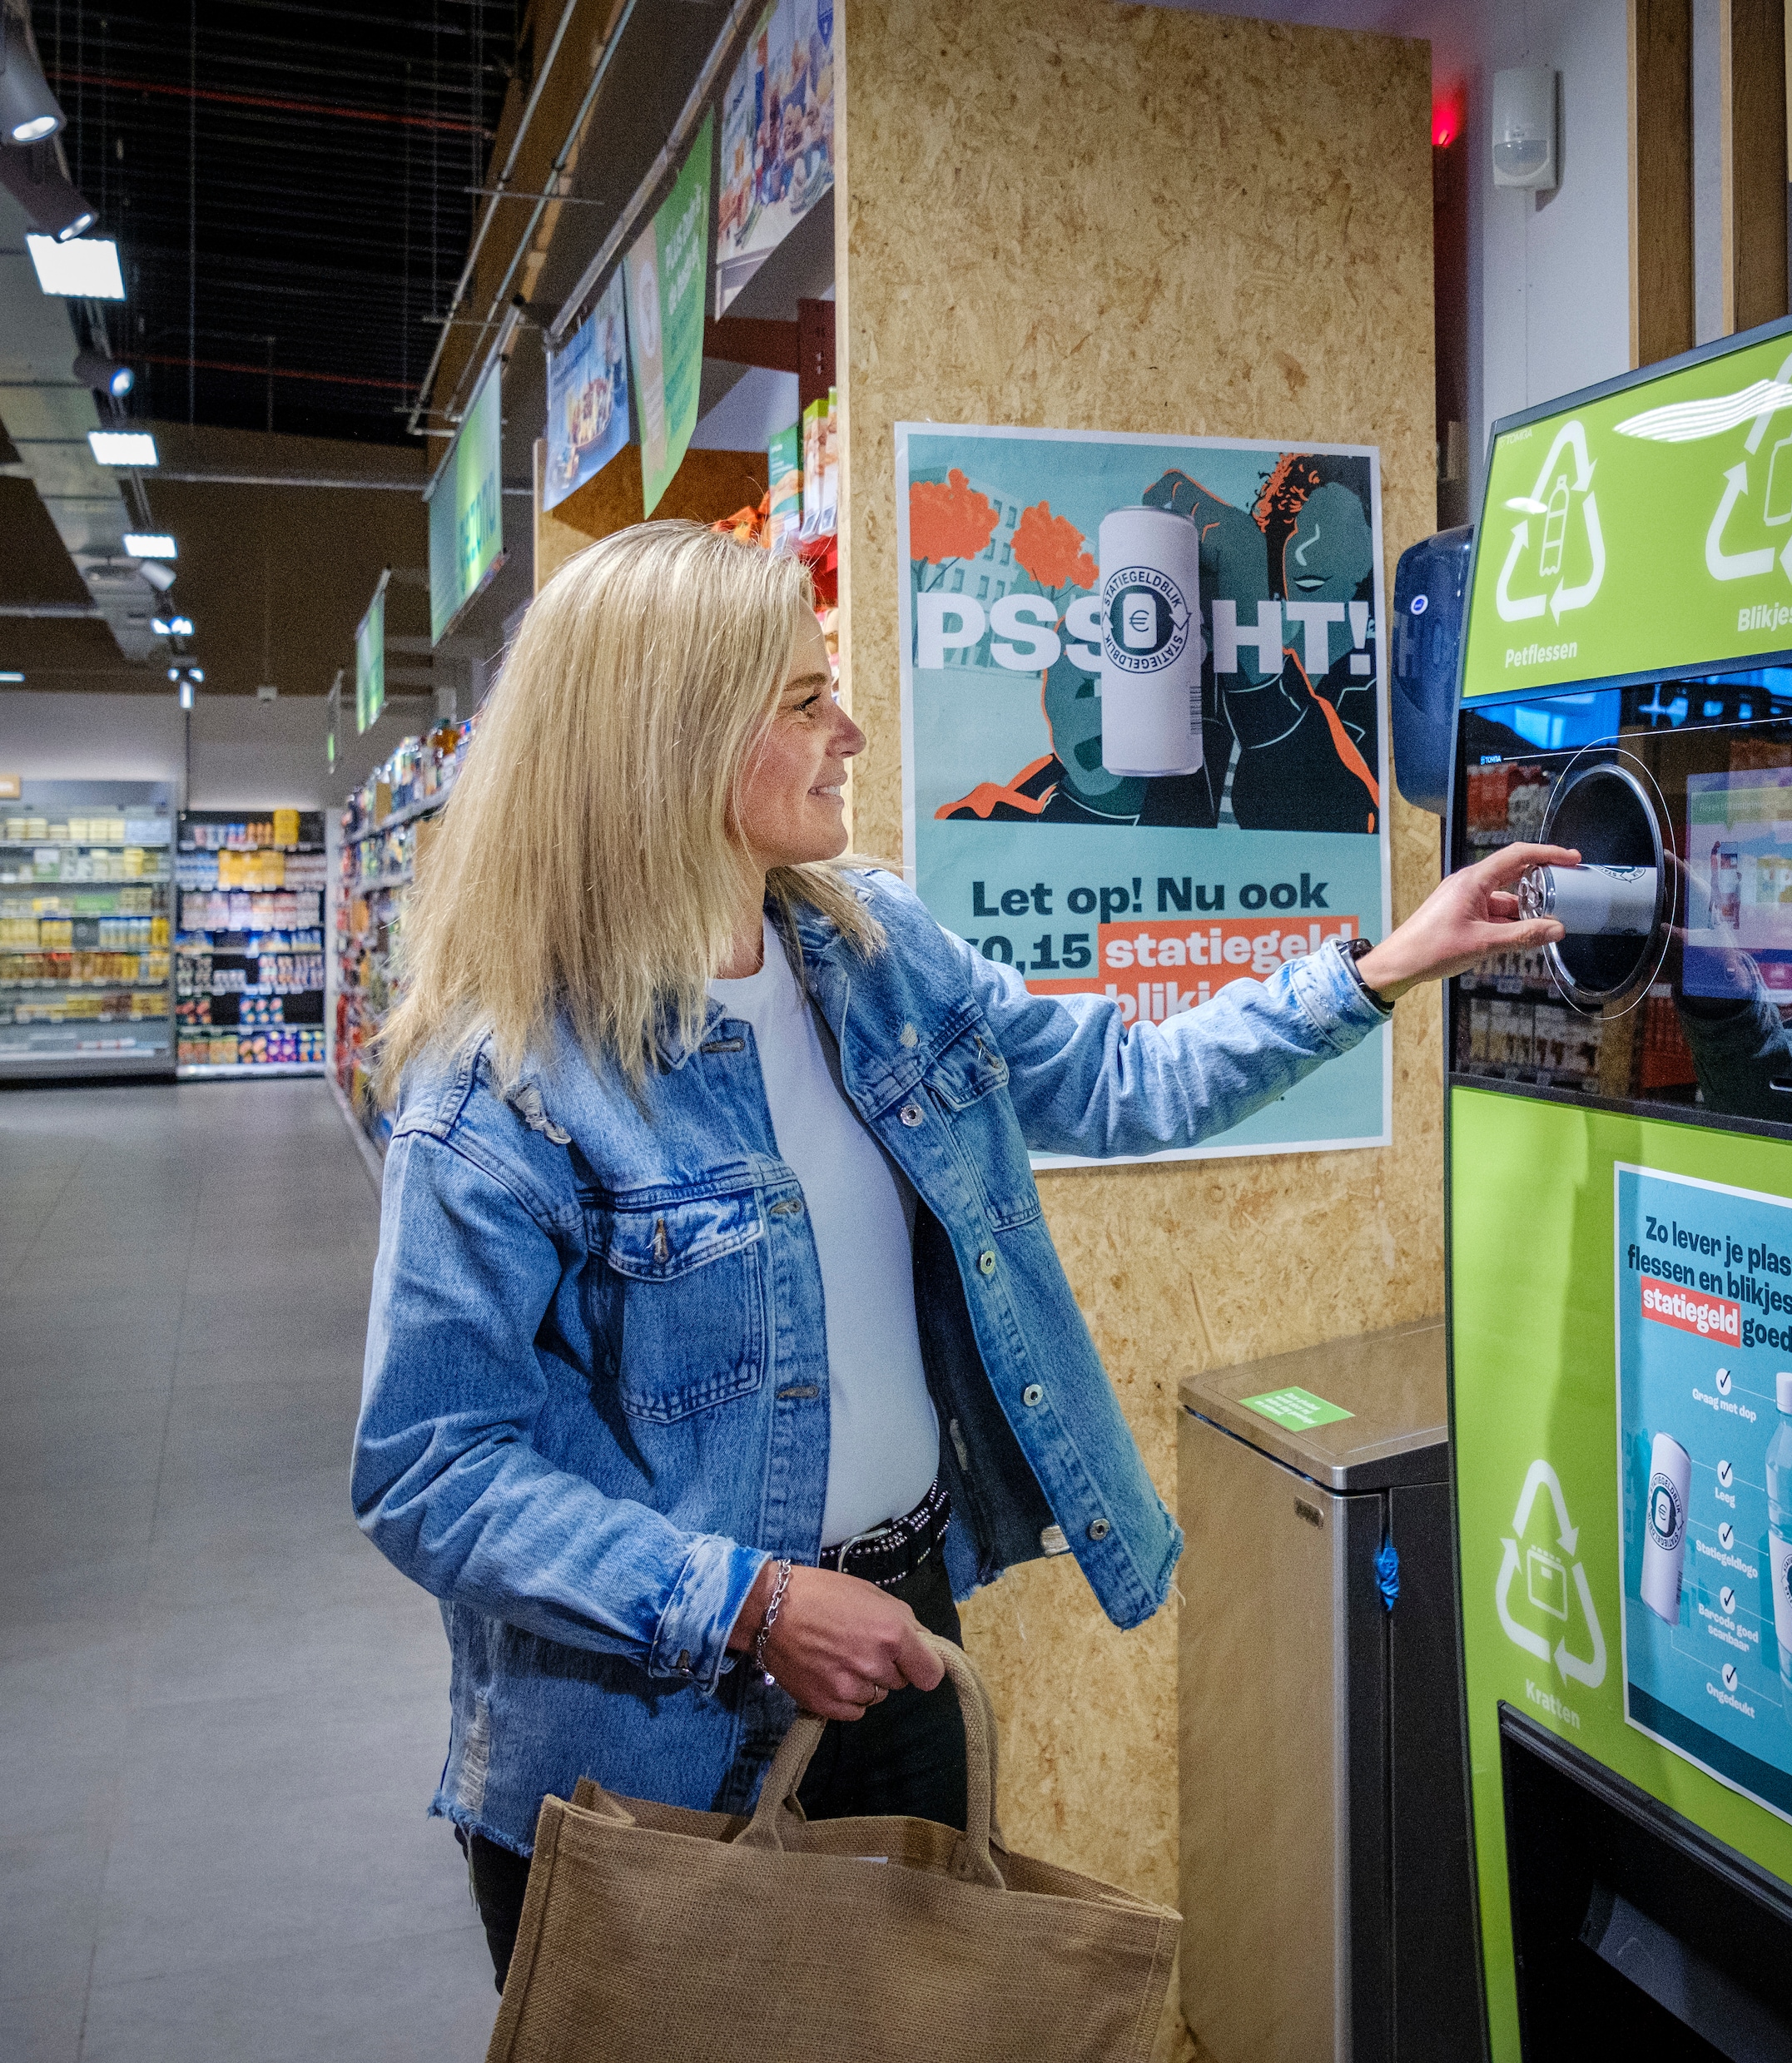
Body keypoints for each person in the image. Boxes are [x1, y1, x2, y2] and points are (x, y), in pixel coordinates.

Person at [351, 520, 1575, 1987]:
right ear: (670, 742)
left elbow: (1121, 1082)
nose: (850, 731)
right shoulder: (508, 1079)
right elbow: (434, 1466)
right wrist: (749, 1605)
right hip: (649, 1744)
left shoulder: (876, 953)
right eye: (805, 702)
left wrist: (1385, 965)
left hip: (897, 1651)